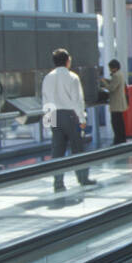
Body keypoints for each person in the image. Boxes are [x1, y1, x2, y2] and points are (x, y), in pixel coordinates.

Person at [41, 48, 95, 191]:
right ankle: (83, 178)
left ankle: (58, 183)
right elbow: (77, 100)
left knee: (57, 150)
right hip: (71, 116)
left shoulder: (47, 77)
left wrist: (48, 123)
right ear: (67, 61)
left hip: (54, 115)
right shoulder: (72, 77)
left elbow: (46, 101)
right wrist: (82, 119)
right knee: (77, 148)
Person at [100, 58, 129, 145]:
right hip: (120, 102)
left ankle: (118, 140)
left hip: (116, 103)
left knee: (115, 122)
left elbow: (111, 88)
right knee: (120, 122)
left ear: (114, 68)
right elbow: (115, 83)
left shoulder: (116, 75)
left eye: (110, 68)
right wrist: (108, 80)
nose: (110, 70)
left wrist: (104, 83)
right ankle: (122, 139)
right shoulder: (120, 74)